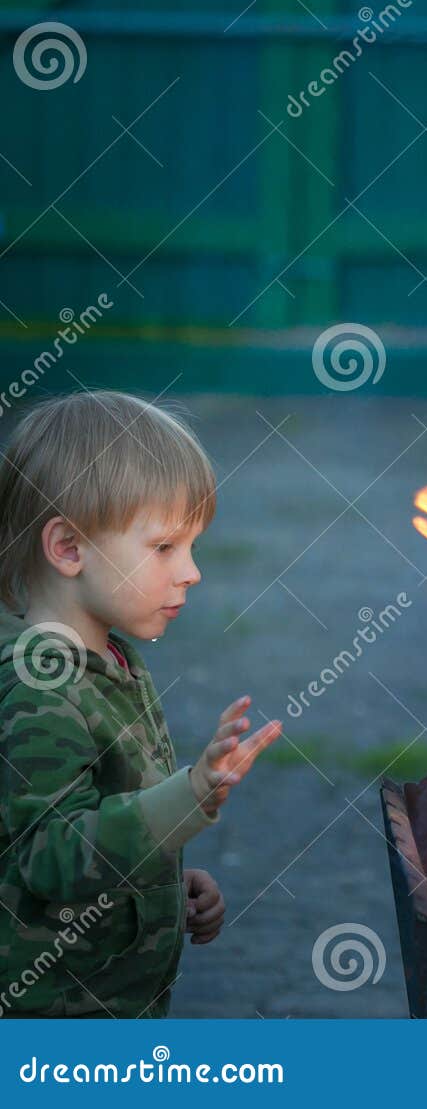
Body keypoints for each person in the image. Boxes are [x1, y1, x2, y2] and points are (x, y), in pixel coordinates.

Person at [0, 390, 281, 1017]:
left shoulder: (113, 659)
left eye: (194, 547)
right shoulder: (38, 689)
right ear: (69, 548)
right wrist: (190, 796)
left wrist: (161, 889)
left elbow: (104, 830)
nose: (191, 572)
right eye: (164, 548)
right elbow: (52, 859)